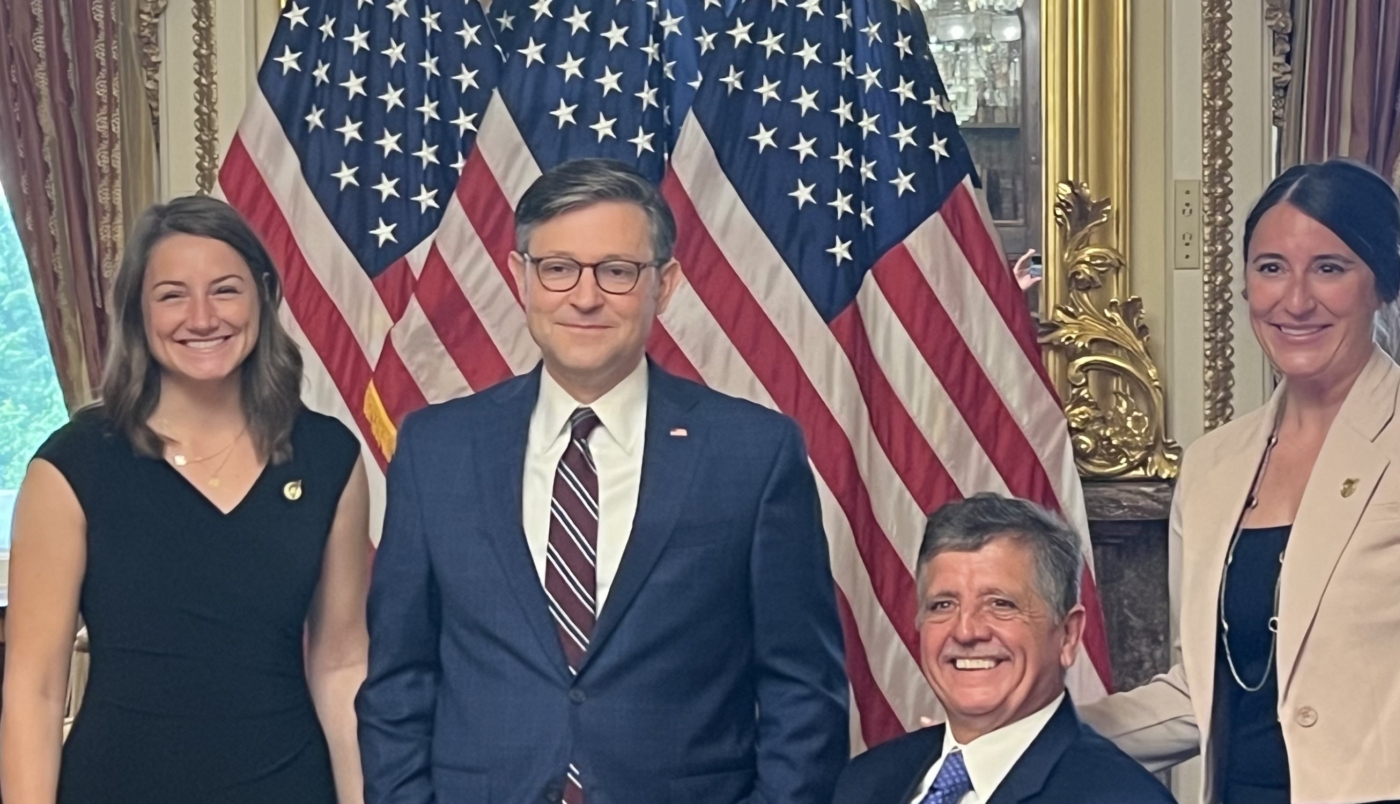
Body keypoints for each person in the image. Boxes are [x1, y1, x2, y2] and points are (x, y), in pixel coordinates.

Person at [357, 157, 849, 804]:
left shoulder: (753, 454)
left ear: (663, 284)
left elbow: (803, 689)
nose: (585, 297)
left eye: (617, 271)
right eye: (558, 268)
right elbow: (400, 680)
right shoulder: (436, 450)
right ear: (520, 277)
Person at [1079, 159, 1400, 803]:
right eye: (1271, 268)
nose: (1295, 301)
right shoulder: (1211, 466)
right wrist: (1039, 734)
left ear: (1383, 284)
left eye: (1329, 268)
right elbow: (1202, 690)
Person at [0, 195, 372, 803]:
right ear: (137, 313)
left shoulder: (330, 457)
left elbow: (341, 664)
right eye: (172, 295)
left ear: (263, 296)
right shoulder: (72, 466)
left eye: (225, 290)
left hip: (289, 787)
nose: (201, 318)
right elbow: (34, 691)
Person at [833, 493, 1175, 804]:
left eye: (1000, 604)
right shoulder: (865, 781)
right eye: (943, 605)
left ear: (1068, 635)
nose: (966, 631)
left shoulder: (1124, 798)